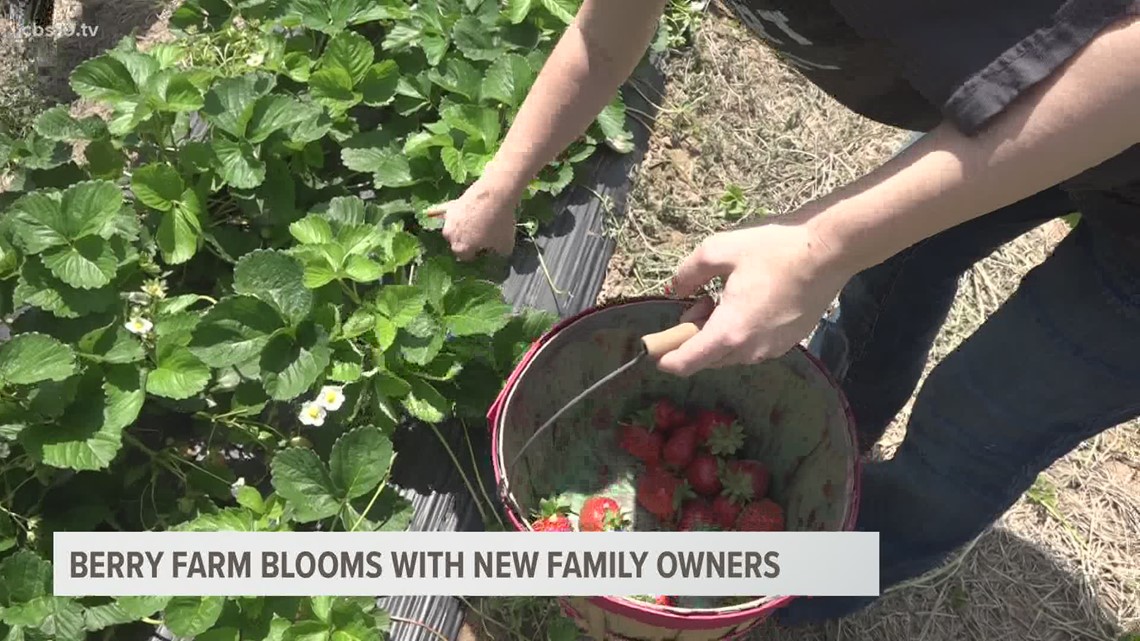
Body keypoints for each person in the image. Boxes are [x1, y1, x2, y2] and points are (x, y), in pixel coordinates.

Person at [427, 0, 1140, 626]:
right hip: (1029, 105)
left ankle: (793, 594)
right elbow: (602, 33)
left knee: (974, 427)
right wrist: (503, 181)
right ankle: (826, 438)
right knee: (895, 258)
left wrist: (820, 245)